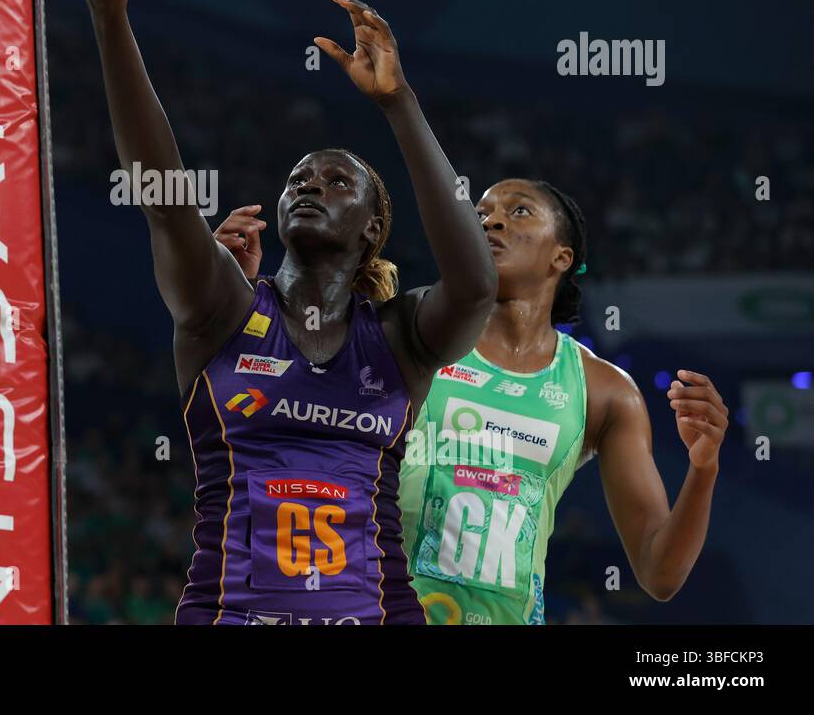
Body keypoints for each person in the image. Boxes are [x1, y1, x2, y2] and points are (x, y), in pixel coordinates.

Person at [45, 0, 496, 624]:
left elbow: (476, 287)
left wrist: (399, 103)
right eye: (298, 179)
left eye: (335, 180)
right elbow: (163, 195)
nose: (310, 184)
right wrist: (109, 14)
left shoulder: (400, 336)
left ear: (372, 228)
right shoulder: (225, 310)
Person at [214, 178, 728, 624]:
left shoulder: (605, 391)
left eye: (517, 211)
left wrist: (703, 469)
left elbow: (660, 573)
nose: (491, 222)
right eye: (480, 213)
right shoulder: (406, 333)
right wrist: (243, 301)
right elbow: (283, 410)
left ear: (562, 256)